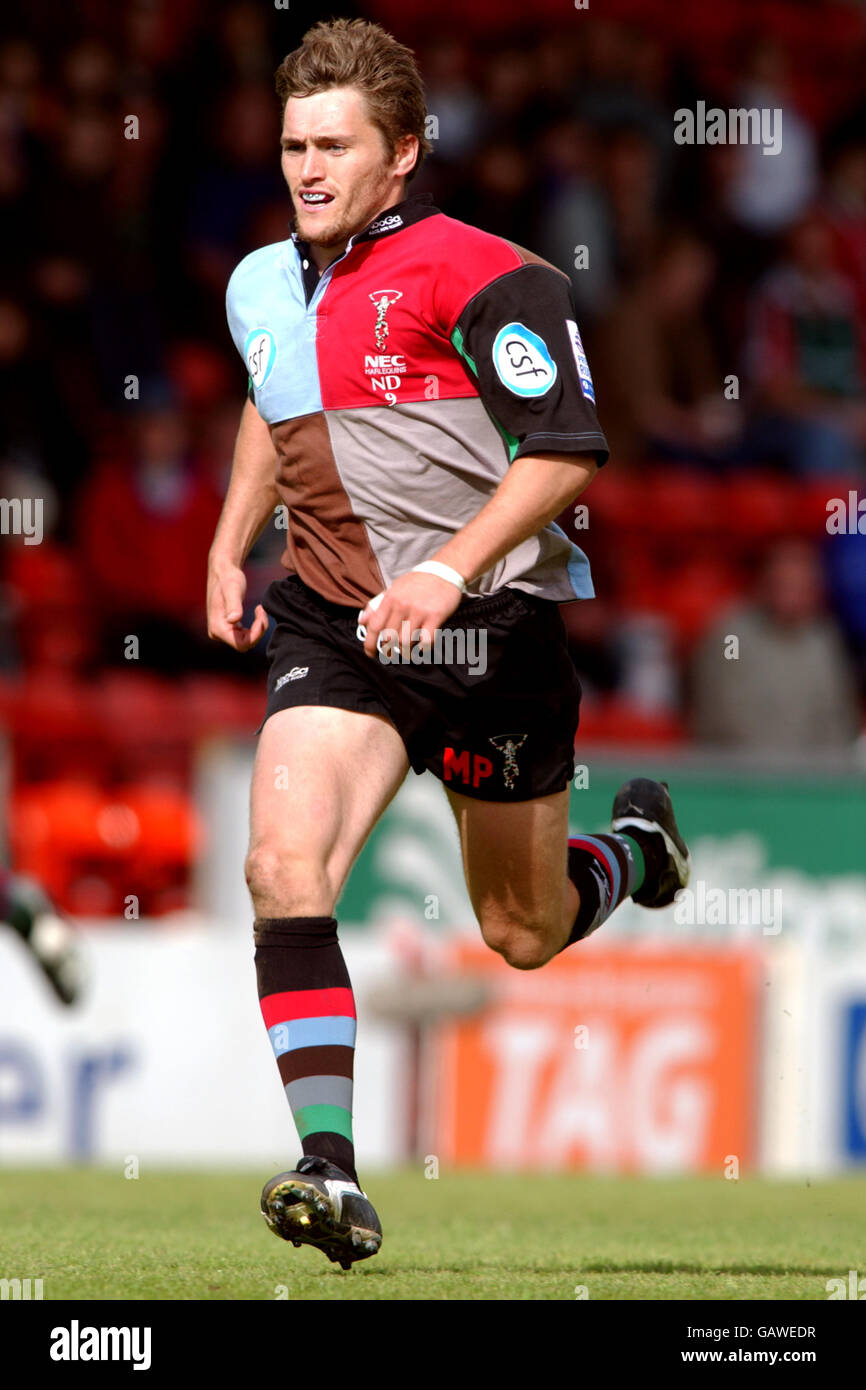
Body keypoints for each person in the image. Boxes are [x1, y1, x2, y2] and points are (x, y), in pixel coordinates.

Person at [207, 19, 690, 1270]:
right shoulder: (261, 280)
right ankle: (330, 1169)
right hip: (338, 620)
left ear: (403, 153)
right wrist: (229, 539)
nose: (307, 168)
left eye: (334, 145)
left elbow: (567, 448)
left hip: (491, 631)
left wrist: (445, 567)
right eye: (292, 144)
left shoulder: (489, 277)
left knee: (519, 931)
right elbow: (275, 394)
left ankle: (633, 851)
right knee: (279, 865)